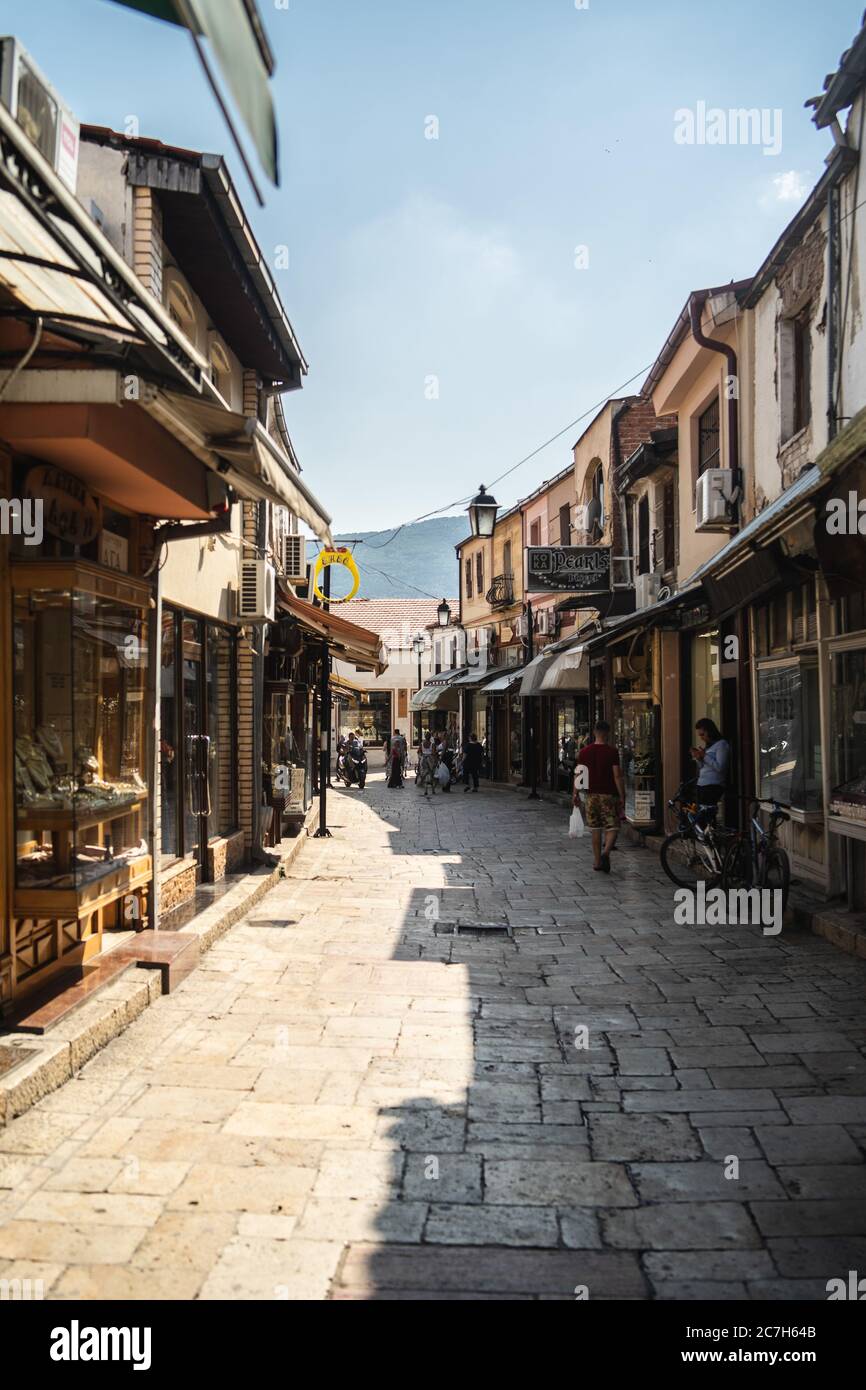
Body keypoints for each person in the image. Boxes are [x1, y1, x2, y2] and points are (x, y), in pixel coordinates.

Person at [573, 719, 625, 873]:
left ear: (594, 732)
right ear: (607, 733)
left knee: (595, 829)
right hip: (609, 795)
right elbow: (617, 775)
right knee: (613, 826)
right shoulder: (612, 752)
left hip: (591, 796)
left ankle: (596, 862)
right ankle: (606, 852)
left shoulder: (584, 752)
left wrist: (575, 793)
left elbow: (579, 774)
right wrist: (622, 795)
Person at [690, 717, 730, 811]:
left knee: (705, 815)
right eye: (699, 735)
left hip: (712, 786)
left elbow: (720, 767)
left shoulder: (721, 744)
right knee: (699, 815)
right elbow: (703, 767)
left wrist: (704, 756)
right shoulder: (709, 746)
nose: (701, 738)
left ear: (710, 731)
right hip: (702, 785)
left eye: (703, 734)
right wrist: (699, 759)